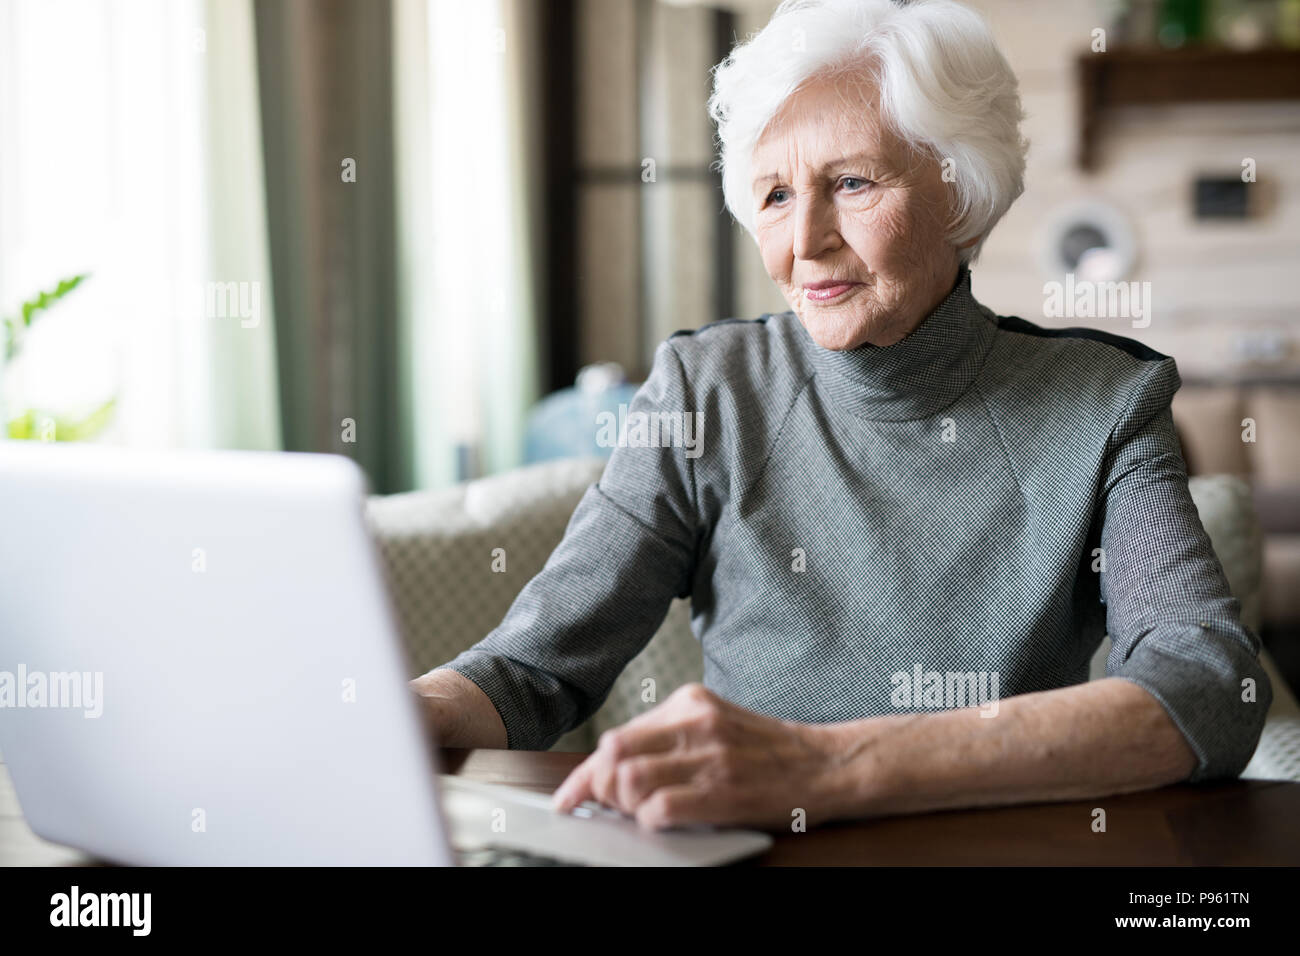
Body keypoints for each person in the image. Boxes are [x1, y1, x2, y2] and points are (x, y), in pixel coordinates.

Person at [411, 0, 1271, 830]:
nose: (806, 240)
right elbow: (532, 668)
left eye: (852, 183)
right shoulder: (701, 392)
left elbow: (1206, 685)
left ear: (960, 195)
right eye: (775, 196)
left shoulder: (1105, 402)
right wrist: (404, 712)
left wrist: (826, 769)